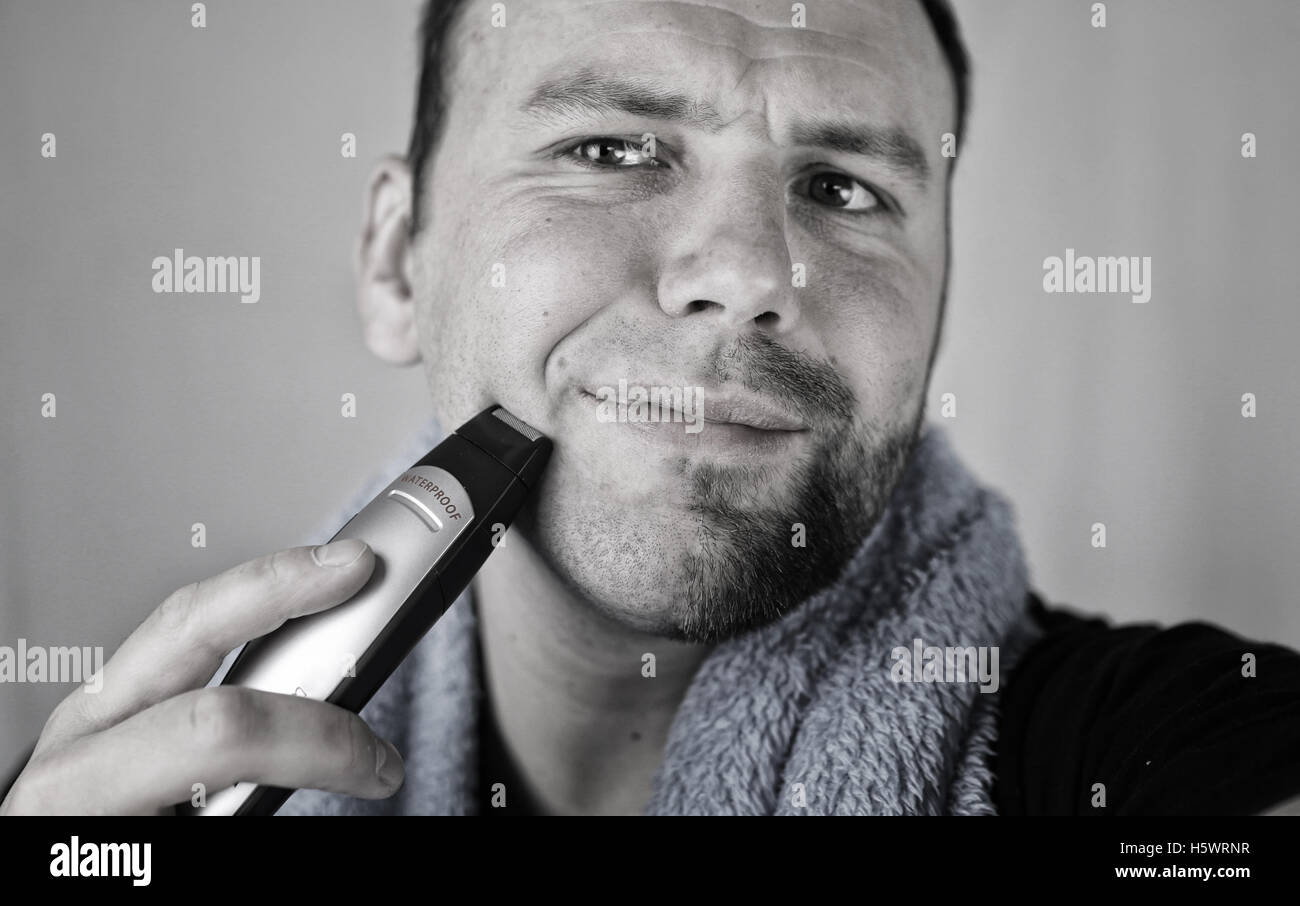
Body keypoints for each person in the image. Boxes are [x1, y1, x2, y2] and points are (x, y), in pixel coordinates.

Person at [4, 0, 1298, 816]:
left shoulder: (1165, 754)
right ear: (400, 260)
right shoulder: (148, 810)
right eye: (612, 150)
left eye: (845, 187)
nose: (743, 275)